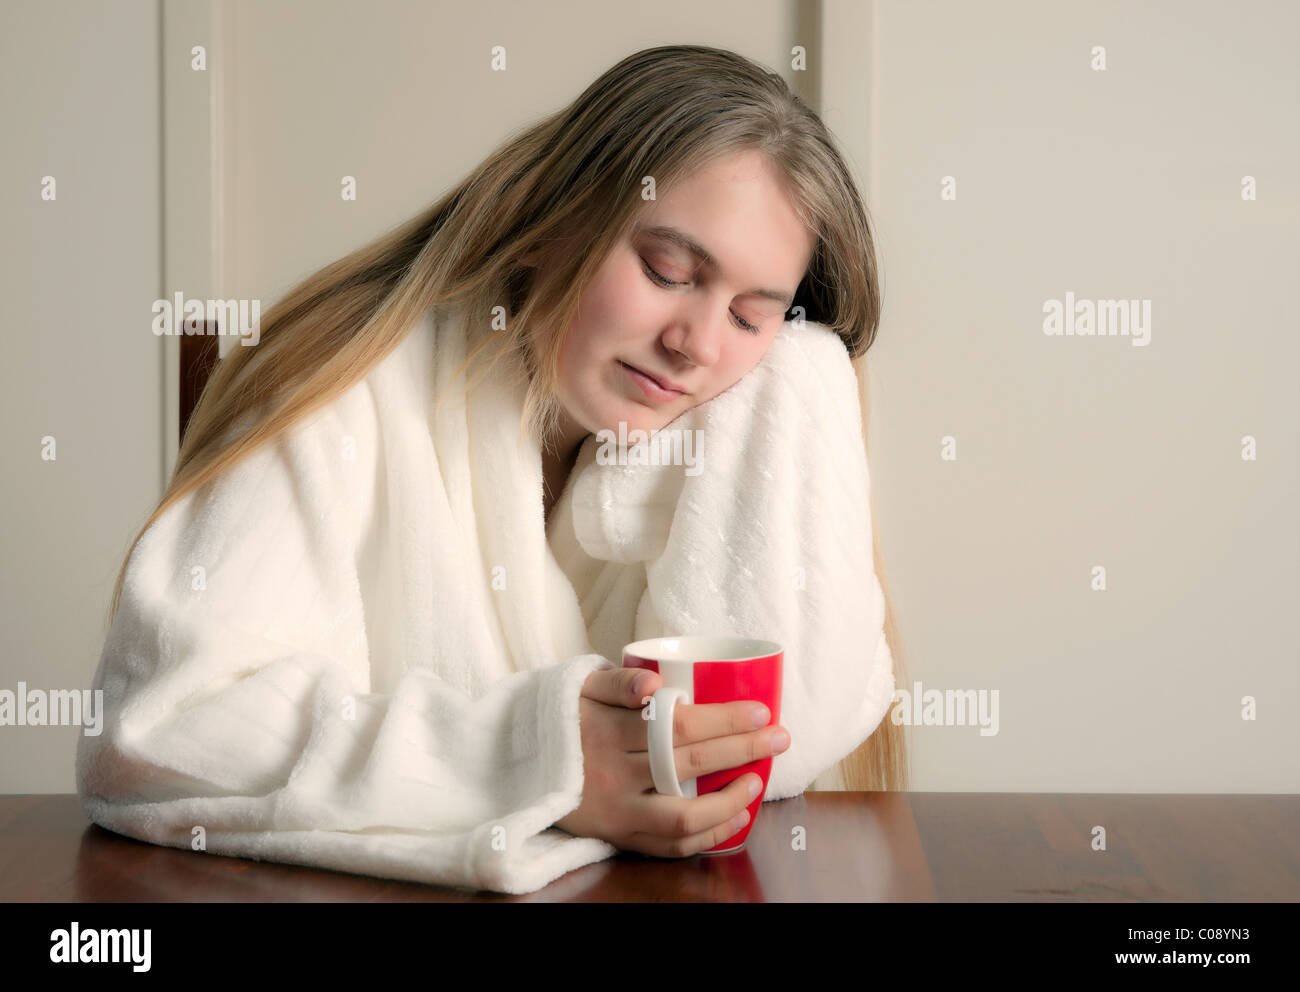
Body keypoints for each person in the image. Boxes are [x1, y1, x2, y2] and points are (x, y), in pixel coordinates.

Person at [77, 44, 907, 896]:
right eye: (666, 271)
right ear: (556, 216)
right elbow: (163, 732)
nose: (695, 344)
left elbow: (786, 734)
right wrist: (532, 754)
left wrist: (803, 374)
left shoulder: (737, 417)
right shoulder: (341, 388)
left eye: (749, 314)